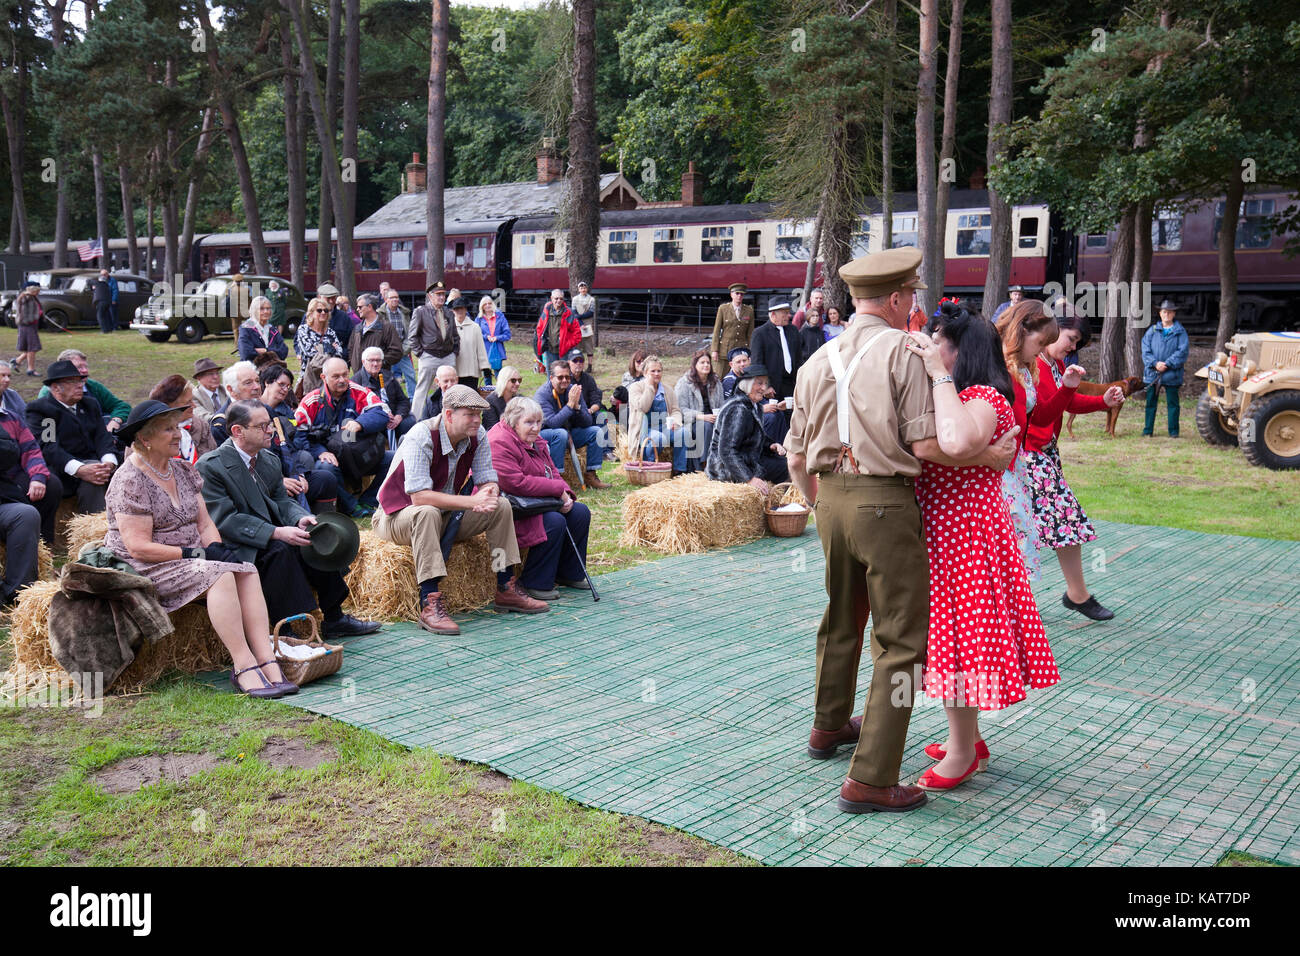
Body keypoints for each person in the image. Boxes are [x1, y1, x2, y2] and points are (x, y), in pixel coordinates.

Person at [784, 247, 1015, 815]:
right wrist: (988, 458)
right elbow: (929, 447)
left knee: (841, 619)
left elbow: (793, 456)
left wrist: (820, 507)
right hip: (883, 503)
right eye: (910, 296)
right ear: (894, 299)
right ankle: (872, 777)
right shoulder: (905, 352)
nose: (914, 307)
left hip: (829, 501)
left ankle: (828, 726)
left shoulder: (818, 358)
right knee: (901, 643)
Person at [905, 304, 1057, 792]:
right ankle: (965, 738)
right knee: (955, 644)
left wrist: (935, 375)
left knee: (961, 646)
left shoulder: (984, 394)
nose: (931, 348)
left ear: (959, 350)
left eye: (938, 342)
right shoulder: (969, 393)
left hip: (966, 535)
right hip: (956, 532)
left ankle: (964, 752)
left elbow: (951, 441)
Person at [105, 400, 296, 698]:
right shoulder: (129, 480)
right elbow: (138, 547)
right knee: (218, 574)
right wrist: (198, 555)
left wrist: (216, 547)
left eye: (177, 427)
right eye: (168, 429)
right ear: (145, 439)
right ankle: (243, 665)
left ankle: (267, 659)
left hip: (190, 559)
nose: (177, 434)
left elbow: (205, 523)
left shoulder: (181, 469)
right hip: (147, 566)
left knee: (245, 568)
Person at [372, 384, 548, 634]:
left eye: (479, 414)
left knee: (502, 506)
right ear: (448, 414)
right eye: (470, 414)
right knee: (427, 512)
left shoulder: (479, 434)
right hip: (395, 516)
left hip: (443, 516)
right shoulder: (420, 436)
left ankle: (504, 584)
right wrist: (472, 502)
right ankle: (429, 600)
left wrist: (489, 492)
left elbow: (487, 478)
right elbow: (419, 497)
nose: (477, 420)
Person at [198, 399, 380, 638]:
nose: (271, 431)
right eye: (262, 426)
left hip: (271, 533)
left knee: (312, 536)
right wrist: (275, 532)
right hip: (238, 543)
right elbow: (225, 520)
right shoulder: (211, 466)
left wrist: (300, 519)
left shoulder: (268, 459)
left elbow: (283, 501)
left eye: (270, 425)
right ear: (237, 431)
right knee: (280, 550)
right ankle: (285, 630)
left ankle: (334, 616)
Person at [1028, 310, 1124, 622]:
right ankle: (1071, 595)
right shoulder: (1031, 365)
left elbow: (1064, 403)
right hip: (1027, 455)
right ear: (1054, 329)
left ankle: (1076, 594)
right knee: (1058, 521)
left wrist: (1103, 402)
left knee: (1059, 524)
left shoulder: (1051, 364)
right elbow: (1043, 414)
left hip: (1041, 454)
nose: (1073, 346)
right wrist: (1070, 388)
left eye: (1077, 342)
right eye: (1071, 338)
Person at [996, 300, 1086, 581]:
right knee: (1017, 537)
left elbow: (1039, 415)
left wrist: (1067, 390)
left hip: (1016, 464)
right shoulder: (999, 368)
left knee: (1021, 538)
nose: (1041, 348)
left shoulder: (1026, 368)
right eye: (1040, 341)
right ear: (1021, 331)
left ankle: (1015, 607)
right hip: (1001, 467)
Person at [487, 396, 593, 601]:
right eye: (529, 422)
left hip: (534, 501)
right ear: (513, 421)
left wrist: (566, 494)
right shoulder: (499, 440)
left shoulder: (534, 440)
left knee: (579, 512)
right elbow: (514, 483)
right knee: (553, 521)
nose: (536, 428)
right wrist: (556, 491)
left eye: (538, 422)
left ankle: (569, 573)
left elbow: (552, 471)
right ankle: (535, 581)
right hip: (508, 506)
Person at [293, 356, 392, 518]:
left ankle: (369, 500)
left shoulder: (358, 392)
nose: (342, 380)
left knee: (395, 459)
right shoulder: (311, 402)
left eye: (345, 375)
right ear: (323, 377)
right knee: (325, 467)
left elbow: (382, 413)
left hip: (358, 456)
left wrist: (361, 423)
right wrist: (319, 452)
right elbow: (298, 437)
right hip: (332, 460)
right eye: (336, 376)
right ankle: (351, 507)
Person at [27, 359, 118, 513]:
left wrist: (109, 462)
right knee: (94, 479)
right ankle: (96, 529)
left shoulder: (90, 404)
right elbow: (49, 448)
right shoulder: (43, 410)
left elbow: (102, 437)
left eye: (80, 381)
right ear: (56, 388)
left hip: (97, 464)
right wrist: (80, 469)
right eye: (72, 381)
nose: (80, 385)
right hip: (64, 469)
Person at [259, 363, 337, 513]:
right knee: (305, 457)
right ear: (267, 383)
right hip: (268, 471)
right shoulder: (253, 410)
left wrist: (298, 473)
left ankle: (323, 521)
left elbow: (295, 441)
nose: (285, 389)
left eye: (288, 386)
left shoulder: (287, 411)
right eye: (281, 384)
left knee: (325, 476)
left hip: (290, 460)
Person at [0, 362, 60, 553]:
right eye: (2, 376)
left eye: (9, 376)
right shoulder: (39, 407)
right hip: (5, 479)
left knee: (51, 485)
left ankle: (43, 544)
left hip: (16, 471)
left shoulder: (11, 416)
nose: (7, 380)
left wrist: (38, 477)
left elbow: (31, 449)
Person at [705, 362, 787, 491]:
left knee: (783, 462)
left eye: (765, 383)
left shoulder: (755, 406)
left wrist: (771, 445)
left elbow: (754, 436)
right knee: (785, 467)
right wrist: (749, 478)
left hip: (747, 458)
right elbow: (726, 451)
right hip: (725, 468)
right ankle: (782, 506)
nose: (763, 388)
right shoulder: (737, 409)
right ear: (747, 385)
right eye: (759, 383)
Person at [535, 361, 610, 488]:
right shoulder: (542, 395)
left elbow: (587, 421)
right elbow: (553, 423)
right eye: (560, 377)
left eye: (567, 377)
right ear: (551, 378)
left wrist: (577, 407)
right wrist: (570, 405)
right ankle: (556, 478)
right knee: (560, 434)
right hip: (546, 436)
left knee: (596, 431)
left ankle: (590, 475)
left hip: (569, 433)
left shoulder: (573, 390)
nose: (565, 380)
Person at [749, 297, 803, 443]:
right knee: (776, 420)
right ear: (773, 315)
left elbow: (799, 358)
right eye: (784, 313)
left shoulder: (793, 331)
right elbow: (757, 363)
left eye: (788, 312)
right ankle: (774, 450)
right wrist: (764, 386)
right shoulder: (760, 333)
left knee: (793, 417)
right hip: (772, 387)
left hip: (791, 384)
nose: (788, 316)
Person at [37, 349, 131, 433]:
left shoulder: (92, 392)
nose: (85, 370)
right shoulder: (44, 401)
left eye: (86, 366)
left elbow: (121, 406)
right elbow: (48, 440)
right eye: (79, 367)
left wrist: (115, 422)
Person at [407, 281, 460, 421]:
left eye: (443, 295)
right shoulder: (421, 312)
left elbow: (455, 336)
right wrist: (421, 354)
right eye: (438, 295)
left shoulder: (449, 313)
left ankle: (451, 418)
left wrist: (454, 352)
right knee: (421, 391)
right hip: (428, 356)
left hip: (448, 356)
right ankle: (415, 422)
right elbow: (412, 337)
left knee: (451, 389)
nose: (442, 297)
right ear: (430, 296)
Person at [627, 355, 687, 475]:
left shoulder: (668, 389)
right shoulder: (635, 388)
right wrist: (649, 388)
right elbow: (643, 407)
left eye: (659, 371)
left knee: (683, 433)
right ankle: (649, 467)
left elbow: (675, 410)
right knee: (659, 439)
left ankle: (678, 470)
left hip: (664, 426)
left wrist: (676, 421)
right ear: (645, 373)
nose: (656, 374)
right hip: (644, 429)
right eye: (652, 371)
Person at [1141, 299, 1189, 438]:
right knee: (1150, 403)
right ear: (1160, 313)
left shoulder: (1180, 332)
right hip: (1153, 373)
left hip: (1172, 373)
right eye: (1164, 312)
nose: (1166, 314)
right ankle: (1147, 430)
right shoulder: (1152, 330)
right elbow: (1145, 349)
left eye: (1169, 312)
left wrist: (1167, 364)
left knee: (1173, 404)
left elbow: (1183, 352)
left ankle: (1173, 432)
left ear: (1174, 314)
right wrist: (1155, 363)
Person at [149, 374, 216, 464]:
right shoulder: (149, 431)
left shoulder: (201, 426)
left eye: (192, 400)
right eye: (188, 402)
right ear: (169, 406)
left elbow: (214, 461)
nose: (194, 406)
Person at [353, 346, 414, 443]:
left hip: (393, 420)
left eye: (378, 360)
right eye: (371, 360)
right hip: (373, 422)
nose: (375, 364)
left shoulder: (388, 376)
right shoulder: (356, 383)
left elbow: (403, 400)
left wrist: (399, 416)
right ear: (363, 362)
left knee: (410, 421)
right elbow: (357, 412)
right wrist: (382, 417)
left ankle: (402, 446)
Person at [675, 350, 722, 473]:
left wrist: (719, 415)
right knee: (706, 426)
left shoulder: (715, 382)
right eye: (702, 362)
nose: (706, 365)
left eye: (708, 362)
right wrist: (701, 416)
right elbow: (680, 409)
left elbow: (723, 405)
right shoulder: (684, 383)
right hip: (694, 421)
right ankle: (704, 463)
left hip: (713, 418)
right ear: (695, 365)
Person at [347, 293, 404, 374]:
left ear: (369, 307)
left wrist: (378, 363)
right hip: (359, 377)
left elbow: (396, 352)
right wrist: (353, 363)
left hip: (380, 377)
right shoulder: (357, 328)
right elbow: (350, 349)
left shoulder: (386, 327)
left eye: (360, 307)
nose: (357, 309)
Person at [209, 361, 262, 445]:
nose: (257, 387)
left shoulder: (266, 410)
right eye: (248, 383)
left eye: (257, 381)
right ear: (231, 390)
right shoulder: (222, 422)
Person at [294, 296, 346, 372]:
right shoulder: (304, 330)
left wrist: (320, 349)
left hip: (330, 375)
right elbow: (311, 354)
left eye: (326, 310)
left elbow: (339, 353)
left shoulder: (330, 332)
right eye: (319, 310)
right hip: (311, 376)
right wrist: (331, 349)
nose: (323, 313)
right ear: (311, 313)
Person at [451, 297, 491, 392]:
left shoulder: (475, 327)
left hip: (471, 371)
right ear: (453, 311)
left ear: (466, 309)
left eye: (462, 308)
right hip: (454, 370)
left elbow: (480, 349)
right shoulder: (449, 327)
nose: (459, 311)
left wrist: (485, 367)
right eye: (457, 309)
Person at [534, 289, 579, 373]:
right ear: (551, 298)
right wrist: (543, 340)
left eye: (561, 299)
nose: (559, 301)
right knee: (551, 374)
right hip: (549, 349)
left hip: (564, 351)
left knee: (565, 374)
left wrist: (567, 344)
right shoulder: (546, 311)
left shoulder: (569, 313)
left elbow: (577, 334)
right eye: (556, 298)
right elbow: (539, 328)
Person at [710, 282, 754, 366]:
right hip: (725, 350)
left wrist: (751, 351)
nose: (739, 296)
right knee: (720, 376)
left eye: (742, 294)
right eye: (737, 293)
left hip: (741, 351)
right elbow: (717, 330)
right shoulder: (723, 309)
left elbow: (750, 333)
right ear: (731, 294)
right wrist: (715, 350)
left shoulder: (749, 310)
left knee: (740, 376)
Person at [381, 290, 415, 396]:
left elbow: (409, 332)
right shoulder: (380, 314)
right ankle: (388, 399)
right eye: (392, 298)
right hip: (388, 351)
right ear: (386, 300)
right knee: (386, 377)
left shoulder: (404, 313)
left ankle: (412, 401)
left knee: (411, 376)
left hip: (403, 350)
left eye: (396, 297)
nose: (395, 299)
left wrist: (405, 349)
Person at [237, 295, 289, 362]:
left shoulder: (272, 329)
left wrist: (265, 350)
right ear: (254, 310)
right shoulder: (246, 328)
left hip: (273, 367)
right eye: (261, 308)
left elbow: (283, 352)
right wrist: (273, 353)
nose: (266, 311)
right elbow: (246, 354)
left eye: (268, 308)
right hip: (252, 369)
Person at [315, 283, 356, 364]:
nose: (331, 301)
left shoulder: (344, 317)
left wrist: (342, 355)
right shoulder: (309, 317)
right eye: (328, 298)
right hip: (316, 363)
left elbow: (352, 341)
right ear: (320, 297)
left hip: (339, 362)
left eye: (333, 298)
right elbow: (298, 340)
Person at [476, 296, 511, 385]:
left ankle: (500, 392)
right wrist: (486, 336)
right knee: (487, 375)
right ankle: (487, 393)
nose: (488, 306)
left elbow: (507, 334)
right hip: (484, 350)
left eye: (490, 303)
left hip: (497, 350)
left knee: (499, 375)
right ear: (482, 306)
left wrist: (497, 338)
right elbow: (475, 334)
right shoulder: (479, 319)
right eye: (485, 304)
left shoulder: (500, 316)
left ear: (493, 304)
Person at [14, 281, 41, 376]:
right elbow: (23, 312)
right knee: (32, 347)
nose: (39, 292)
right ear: (32, 289)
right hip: (27, 325)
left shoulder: (33, 298)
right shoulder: (25, 297)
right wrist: (35, 317)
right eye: (37, 290)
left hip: (31, 325)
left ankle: (17, 361)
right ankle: (31, 369)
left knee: (32, 347)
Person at [485, 365, 522, 432]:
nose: (517, 383)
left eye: (519, 380)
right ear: (504, 381)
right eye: (513, 380)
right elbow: (492, 428)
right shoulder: (490, 401)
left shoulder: (520, 399)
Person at [190, 358, 227, 423]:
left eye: (217, 373)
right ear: (199, 378)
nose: (216, 377)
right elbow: (203, 416)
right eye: (210, 374)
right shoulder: (194, 396)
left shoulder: (226, 390)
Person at [571, 281, 598, 370]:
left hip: (588, 325)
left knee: (589, 344)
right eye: (581, 288)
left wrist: (580, 317)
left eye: (584, 288)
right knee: (577, 344)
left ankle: (590, 365)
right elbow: (574, 312)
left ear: (587, 289)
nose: (583, 289)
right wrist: (581, 323)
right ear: (579, 289)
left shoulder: (591, 299)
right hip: (578, 325)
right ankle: (578, 364)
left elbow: (591, 312)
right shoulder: (575, 299)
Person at [92, 269, 114, 334]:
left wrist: (94, 286)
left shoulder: (98, 283)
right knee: (106, 316)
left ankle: (104, 330)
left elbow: (88, 281)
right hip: (107, 301)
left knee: (100, 316)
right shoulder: (106, 285)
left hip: (101, 302)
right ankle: (109, 329)